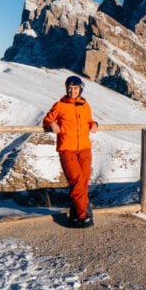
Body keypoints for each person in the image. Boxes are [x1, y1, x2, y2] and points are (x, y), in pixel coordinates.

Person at [42, 75, 98, 228]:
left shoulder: (85, 104)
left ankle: (74, 215)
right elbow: (47, 119)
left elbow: (89, 120)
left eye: (75, 88)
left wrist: (94, 124)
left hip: (85, 149)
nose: (72, 90)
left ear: (80, 89)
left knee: (83, 183)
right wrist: (51, 124)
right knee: (78, 183)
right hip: (67, 149)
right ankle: (84, 216)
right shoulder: (59, 105)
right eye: (69, 88)